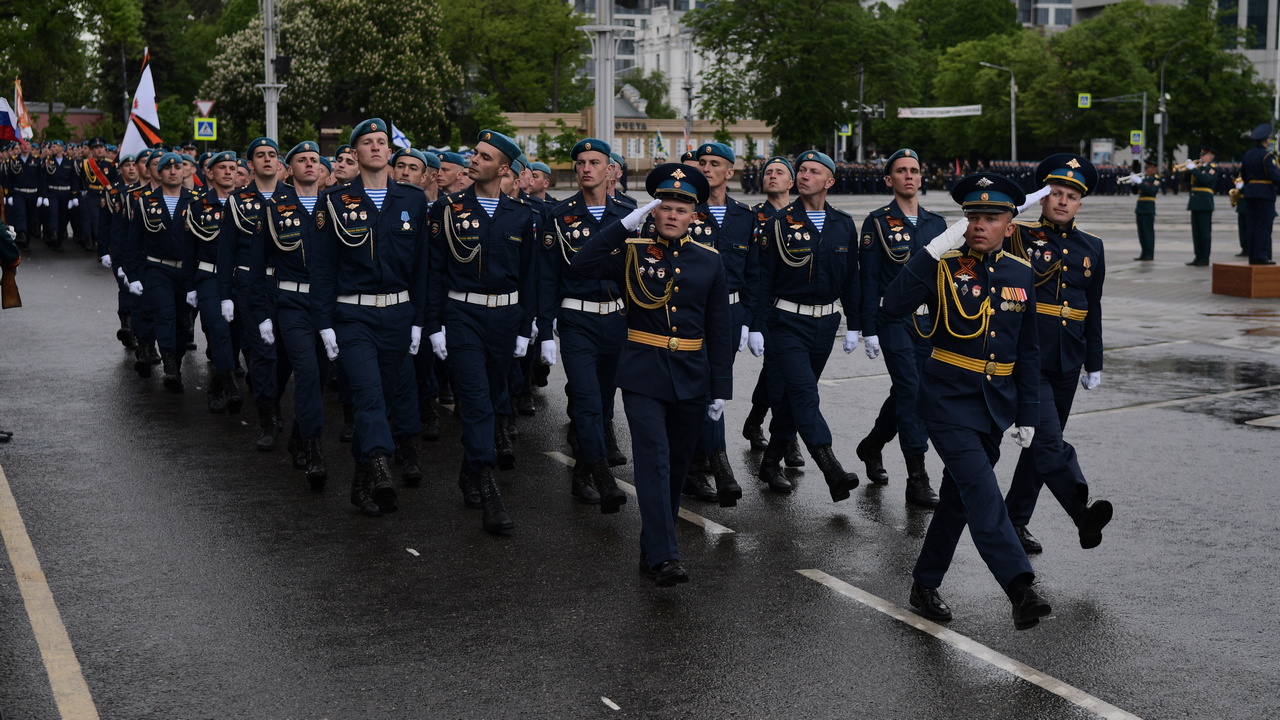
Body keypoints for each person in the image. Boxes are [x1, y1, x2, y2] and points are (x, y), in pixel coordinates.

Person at [882, 172, 1051, 631]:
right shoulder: (941, 264)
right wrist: (930, 251)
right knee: (982, 492)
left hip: (994, 405)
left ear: (1009, 227)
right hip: (947, 401)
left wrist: (1027, 413)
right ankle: (1020, 589)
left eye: (991, 217)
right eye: (972, 216)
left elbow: (1028, 350)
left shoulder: (1021, 273)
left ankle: (924, 582)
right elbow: (891, 307)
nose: (979, 224)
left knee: (958, 500)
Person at [571, 163, 731, 586]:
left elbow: (719, 328)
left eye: (683, 207)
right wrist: (622, 225)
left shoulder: (710, 262)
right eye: (666, 206)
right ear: (654, 212)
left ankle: (651, 546)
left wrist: (721, 388)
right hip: (643, 372)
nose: (674, 213)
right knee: (654, 463)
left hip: (693, 376)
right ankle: (665, 556)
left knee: (677, 467)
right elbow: (581, 263)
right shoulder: (632, 252)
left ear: (695, 215)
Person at [312, 118, 431, 518]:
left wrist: (419, 320)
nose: (377, 147)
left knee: (387, 395)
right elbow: (323, 267)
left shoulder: (413, 201)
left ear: (390, 151)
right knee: (367, 393)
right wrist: (325, 322)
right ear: (356, 153)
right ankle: (380, 465)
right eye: (368, 142)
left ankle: (360, 481)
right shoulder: (334, 200)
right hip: (353, 314)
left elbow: (421, 267)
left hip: (398, 312)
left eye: (382, 142)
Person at [425, 130, 538, 534]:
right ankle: (490, 489)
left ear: (503, 168)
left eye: (484, 156)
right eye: (474, 153)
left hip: (505, 320)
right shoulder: (447, 208)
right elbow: (435, 271)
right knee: (474, 402)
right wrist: (435, 324)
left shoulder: (522, 215)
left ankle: (468, 469)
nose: (473, 160)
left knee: (492, 399)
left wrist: (527, 327)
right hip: (463, 316)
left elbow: (529, 278)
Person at [1003, 154, 1113, 555]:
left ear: (1080, 203)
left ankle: (1014, 520)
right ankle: (1081, 512)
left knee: (1040, 447)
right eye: (1055, 194)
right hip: (1029, 359)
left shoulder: (1093, 248)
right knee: (1049, 442)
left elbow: (1093, 307)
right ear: (1045, 199)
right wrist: (1018, 205)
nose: (1063, 201)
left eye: (1071, 196)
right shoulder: (1019, 236)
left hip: (1070, 359)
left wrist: (1094, 361)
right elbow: (981, 226)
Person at [750, 150, 860, 500]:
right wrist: (755, 325)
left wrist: (857, 324)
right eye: (802, 170)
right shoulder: (778, 223)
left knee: (794, 402)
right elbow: (763, 280)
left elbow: (851, 279)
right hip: (787, 322)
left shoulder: (843, 224)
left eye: (814, 171)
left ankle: (770, 463)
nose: (804, 175)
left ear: (830, 181)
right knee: (804, 394)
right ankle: (831, 467)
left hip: (826, 323)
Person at [537, 138, 631, 509]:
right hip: (577, 319)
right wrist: (545, 330)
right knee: (588, 402)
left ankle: (580, 474)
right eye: (581, 162)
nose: (587, 168)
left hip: (617, 320)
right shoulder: (560, 216)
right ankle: (602, 475)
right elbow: (547, 278)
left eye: (595, 162)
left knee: (605, 404)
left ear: (610, 170)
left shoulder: (627, 212)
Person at [855, 148, 949, 508]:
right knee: (911, 391)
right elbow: (870, 280)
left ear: (921, 178)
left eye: (914, 170)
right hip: (892, 319)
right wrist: (866, 328)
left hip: (928, 323)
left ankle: (872, 445)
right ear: (889, 180)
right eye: (901, 171)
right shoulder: (877, 222)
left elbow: (944, 280)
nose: (909, 176)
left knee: (908, 391)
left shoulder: (936, 224)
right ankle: (917, 478)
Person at [253, 141, 334, 489]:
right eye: (302, 160)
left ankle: (299, 436)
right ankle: (315, 448)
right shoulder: (274, 209)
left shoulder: (337, 207)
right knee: (306, 371)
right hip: (291, 302)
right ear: (290, 170)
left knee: (322, 375)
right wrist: (262, 314)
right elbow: (259, 266)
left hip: (329, 305)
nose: (309, 165)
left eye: (315, 160)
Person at [683, 141, 753, 507]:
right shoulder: (685, 209)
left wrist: (751, 321)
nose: (706, 167)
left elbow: (753, 271)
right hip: (693, 312)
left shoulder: (745, 216)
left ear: (730, 171)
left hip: (731, 313)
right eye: (702, 162)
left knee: (714, 392)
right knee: (707, 390)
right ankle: (716, 465)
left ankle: (694, 463)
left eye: (715, 163)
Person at [219, 137, 290, 451]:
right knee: (263, 352)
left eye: (272, 155)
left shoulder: (293, 196)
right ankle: (268, 420)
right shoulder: (238, 201)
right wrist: (225, 294)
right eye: (259, 155)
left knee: (287, 353)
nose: (266, 159)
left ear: (279, 162)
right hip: (250, 283)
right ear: (250, 164)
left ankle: (272, 399)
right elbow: (226, 252)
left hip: (288, 285)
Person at [120, 152, 198, 393]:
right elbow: (133, 242)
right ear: (159, 173)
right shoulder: (145, 202)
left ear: (185, 171)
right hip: (157, 268)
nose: (173, 171)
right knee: (165, 315)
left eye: (178, 167)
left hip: (187, 270)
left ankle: (176, 357)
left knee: (183, 322)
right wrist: (132, 276)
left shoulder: (196, 201)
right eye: (167, 168)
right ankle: (170, 366)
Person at [740, 156, 798, 475]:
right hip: (764, 303)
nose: (772, 176)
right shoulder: (751, 217)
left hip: (793, 305)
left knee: (777, 369)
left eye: (780, 173)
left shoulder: (801, 217)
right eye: (768, 173)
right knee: (778, 370)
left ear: (791, 183)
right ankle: (786, 437)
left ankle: (755, 422)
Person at [183, 150, 244, 415]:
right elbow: (189, 249)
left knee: (234, 334)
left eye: (233, 167)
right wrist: (190, 286)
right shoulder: (199, 206)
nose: (229, 172)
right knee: (217, 329)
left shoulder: (247, 204)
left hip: (239, 278)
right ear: (209, 173)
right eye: (222, 167)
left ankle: (216, 385)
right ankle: (230, 385)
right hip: (209, 276)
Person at [1240, 123, 1280, 266]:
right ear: (1267, 140)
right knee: (1263, 226)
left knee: (1251, 226)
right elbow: (1275, 176)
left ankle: (1252, 256)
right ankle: (1262, 256)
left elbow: (1244, 175)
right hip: (1265, 194)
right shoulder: (1267, 156)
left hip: (1251, 192)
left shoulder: (1248, 154)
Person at [1184, 147, 1217, 266]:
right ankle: (1198, 256)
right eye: (1201, 155)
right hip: (1195, 202)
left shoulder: (1212, 168)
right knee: (1196, 233)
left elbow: (1205, 179)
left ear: (1210, 156)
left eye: (1204, 155)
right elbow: (1186, 181)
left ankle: (1204, 258)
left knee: (1204, 233)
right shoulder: (1198, 168)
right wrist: (1188, 169)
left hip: (1204, 203)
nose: (1201, 157)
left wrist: (1194, 170)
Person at [1134, 160, 1159, 261]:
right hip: (1140, 208)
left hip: (1148, 208)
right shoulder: (1144, 179)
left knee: (1148, 232)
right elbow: (1136, 192)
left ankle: (1149, 254)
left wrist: (1140, 183)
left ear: (1153, 169)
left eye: (1147, 168)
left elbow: (1151, 191)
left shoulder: (1156, 179)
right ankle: (1144, 253)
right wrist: (1134, 183)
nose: (1145, 170)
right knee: (1142, 233)